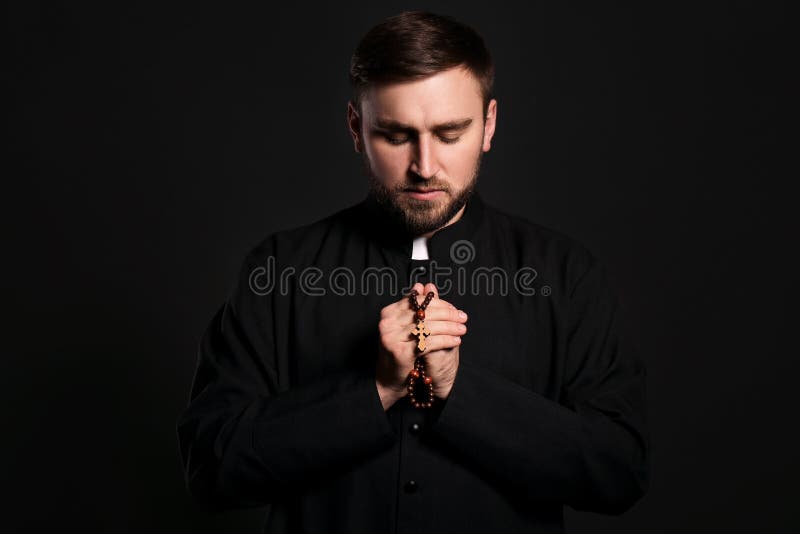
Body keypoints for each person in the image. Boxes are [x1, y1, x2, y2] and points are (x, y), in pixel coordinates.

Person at [176, 10, 649, 533]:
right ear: (357, 128)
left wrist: (459, 390)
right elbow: (211, 468)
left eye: (450, 134)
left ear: (489, 126)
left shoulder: (565, 273)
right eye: (397, 135)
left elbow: (618, 472)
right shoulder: (280, 270)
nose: (424, 165)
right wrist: (374, 391)